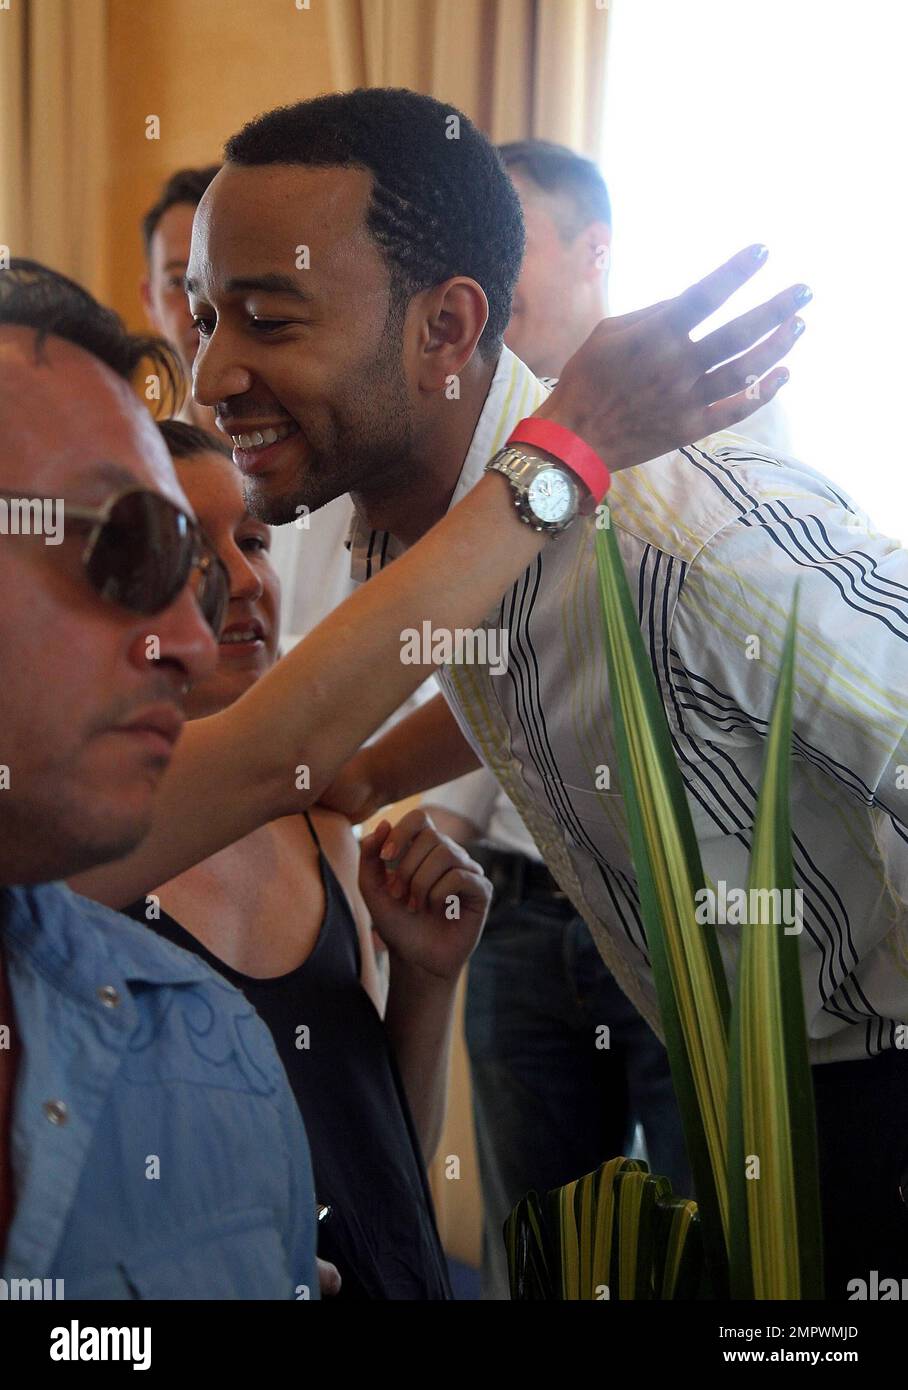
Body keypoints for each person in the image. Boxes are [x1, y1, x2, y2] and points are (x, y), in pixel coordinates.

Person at [1, 118, 792, 1300]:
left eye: (219, 549)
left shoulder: (213, 919)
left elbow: (370, 1160)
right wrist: (565, 449)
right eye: (126, 554)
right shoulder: (97, 854)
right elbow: (290, 742)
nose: (182, 627)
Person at [175, 85, 902, 1298]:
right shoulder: (425, 539)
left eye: (266, 320)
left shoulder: (676, 536)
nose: (209, 375)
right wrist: (369, 776)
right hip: (746, 1097)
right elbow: (512, 659)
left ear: (448, 327)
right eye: (203, 317)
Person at [113, 418, 492, 1300]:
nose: (245, 579)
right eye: (191, 551)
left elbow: (387, 1153)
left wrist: (427, 979)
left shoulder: (316, 821)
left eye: (252, 540)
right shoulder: (79, 855)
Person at [423, 140, 689, 1299]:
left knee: (707, 1247)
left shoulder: (687, 420)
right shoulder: (475, 444)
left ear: (594, 250)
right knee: (543, 1250)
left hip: (676, 914)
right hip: (519, 916)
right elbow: (493, 674)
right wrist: (439, 820)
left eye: (509, 234)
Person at [141, 165, 358, 637]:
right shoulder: (134, 469)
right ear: (148, 299)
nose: (209, 322)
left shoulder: (343, 464)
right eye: (182, 284)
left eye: (253, 306)